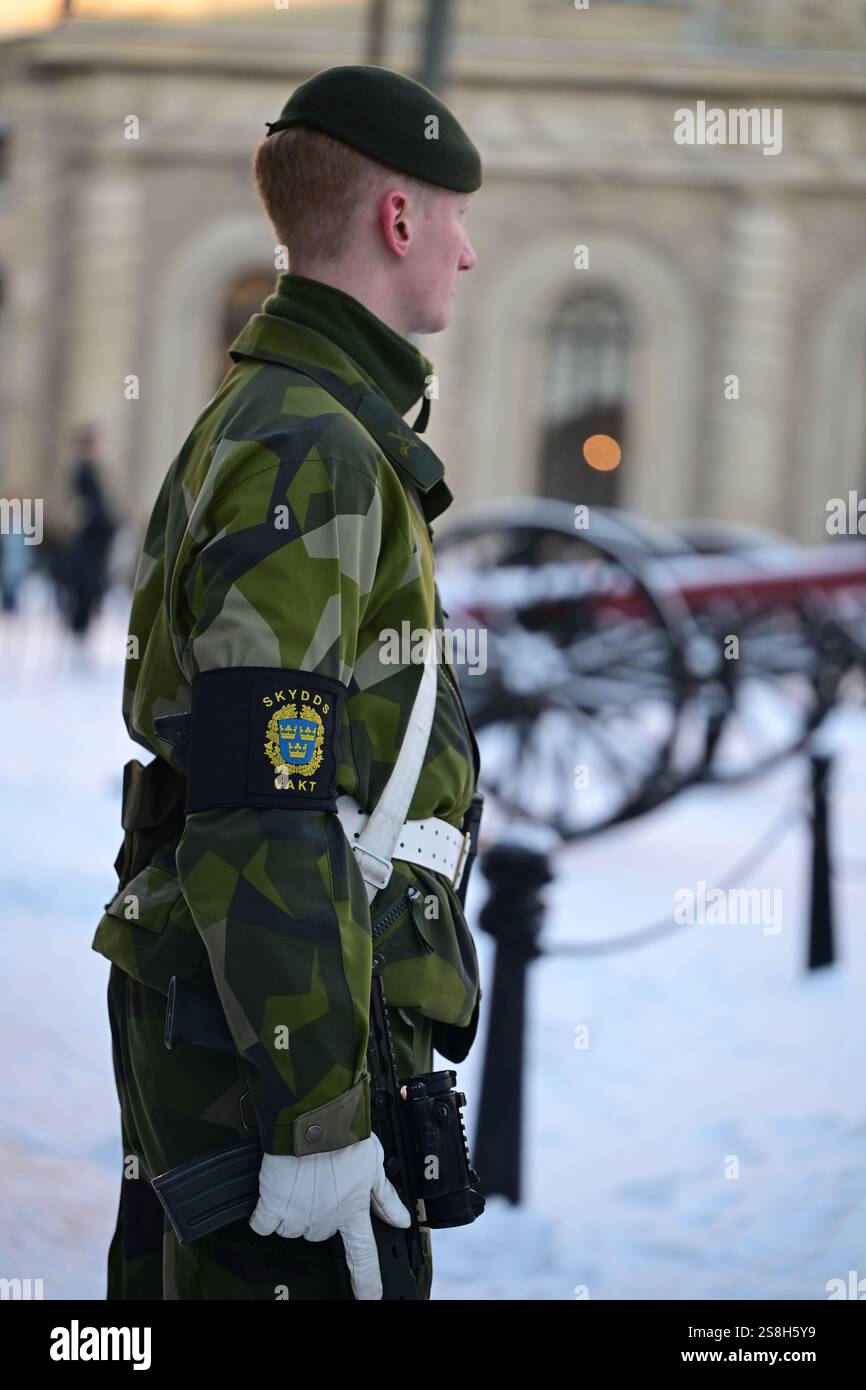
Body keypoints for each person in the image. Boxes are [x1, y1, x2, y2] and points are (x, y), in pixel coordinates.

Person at [92, 63, 484, 1301]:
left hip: (255, 1018)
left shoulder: (292, 414)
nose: (468, 253)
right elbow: (263, 800)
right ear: (399, 218)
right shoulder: (310, 442)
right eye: (456, 218)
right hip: (275, 1051)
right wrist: (316, 1119)